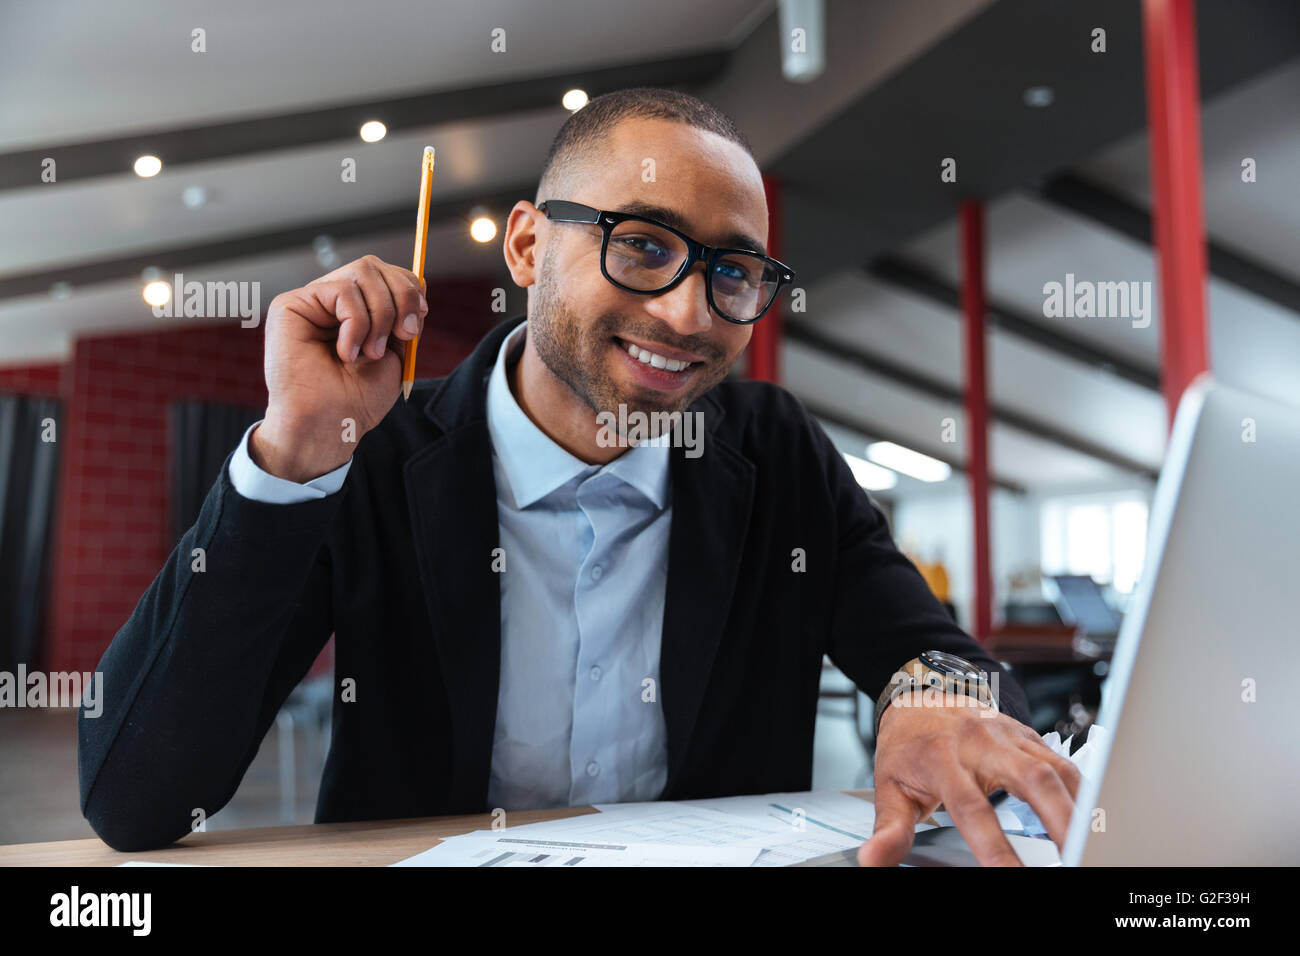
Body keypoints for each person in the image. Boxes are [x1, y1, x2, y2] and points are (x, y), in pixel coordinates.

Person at [79, 87, 1080, 865]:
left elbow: (945, 663)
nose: (690, 313)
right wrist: (292, 452)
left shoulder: (775, 453)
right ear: (527, 243)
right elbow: (137, 797)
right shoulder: (373, 447)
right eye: (642, 244)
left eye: (733, 272)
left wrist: (929, 694)